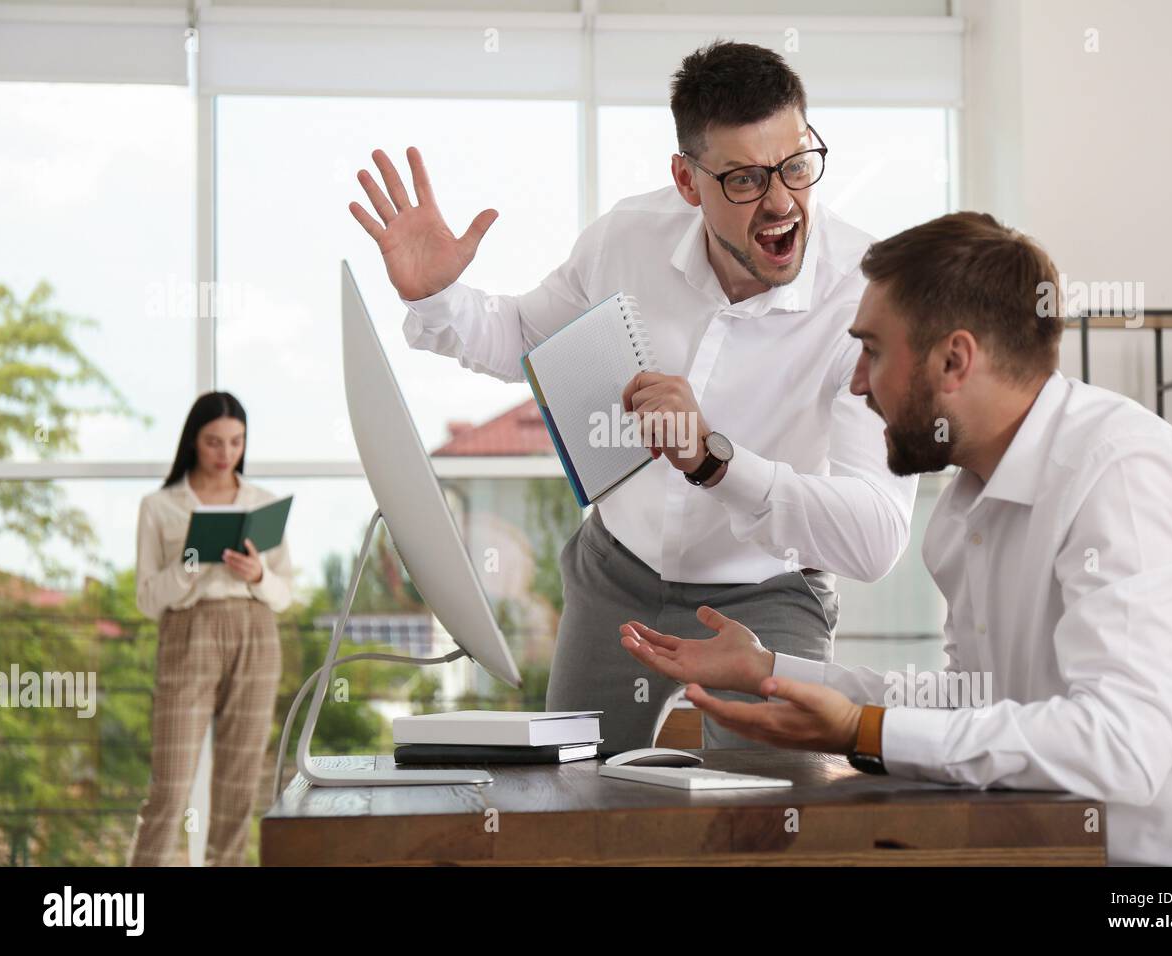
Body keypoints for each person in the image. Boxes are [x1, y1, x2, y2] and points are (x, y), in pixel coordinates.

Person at [620, 211, 1172, 866]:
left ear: (954, 360)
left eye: (873, 351)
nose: (857, 384)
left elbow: (1119, 746)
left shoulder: (1124, 474)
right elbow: (973, 702)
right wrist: (773, 673)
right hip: (1069, 850)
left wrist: (863, 731)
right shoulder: (966, 506)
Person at [348, 41, 915, 753]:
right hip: (616, 573)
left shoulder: (863, 295)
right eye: (743, 179)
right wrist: (439, 294)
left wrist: (713, 458)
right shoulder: (627, 240)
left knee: (772, 822)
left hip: (769, 590)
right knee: (575, 800)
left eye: (797, 167)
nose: (781, 202)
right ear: (687, 180)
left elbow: (876, 539)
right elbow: (523, 338)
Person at [128, 391, 293, 866]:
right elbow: (145, 600)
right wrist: (189, 567)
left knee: (238, 788)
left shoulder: (264, 503)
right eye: (214, 442)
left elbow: (286, 594)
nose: (226, 455)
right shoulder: (159, 506)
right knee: (169, 788)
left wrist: (258, 574)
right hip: (188, 633)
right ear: (193, 442)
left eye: (236, 442)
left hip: (256, 633)